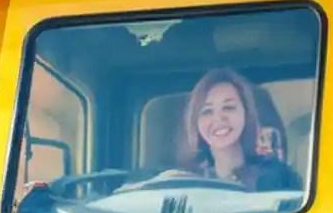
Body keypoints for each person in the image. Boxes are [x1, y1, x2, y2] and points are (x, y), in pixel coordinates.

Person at [121, 67, 301, 192]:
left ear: (246, 114)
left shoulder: (278, 177)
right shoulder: (176, 180)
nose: (218, 118)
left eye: (228, 107)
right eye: (207, 111)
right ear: (195, 122)